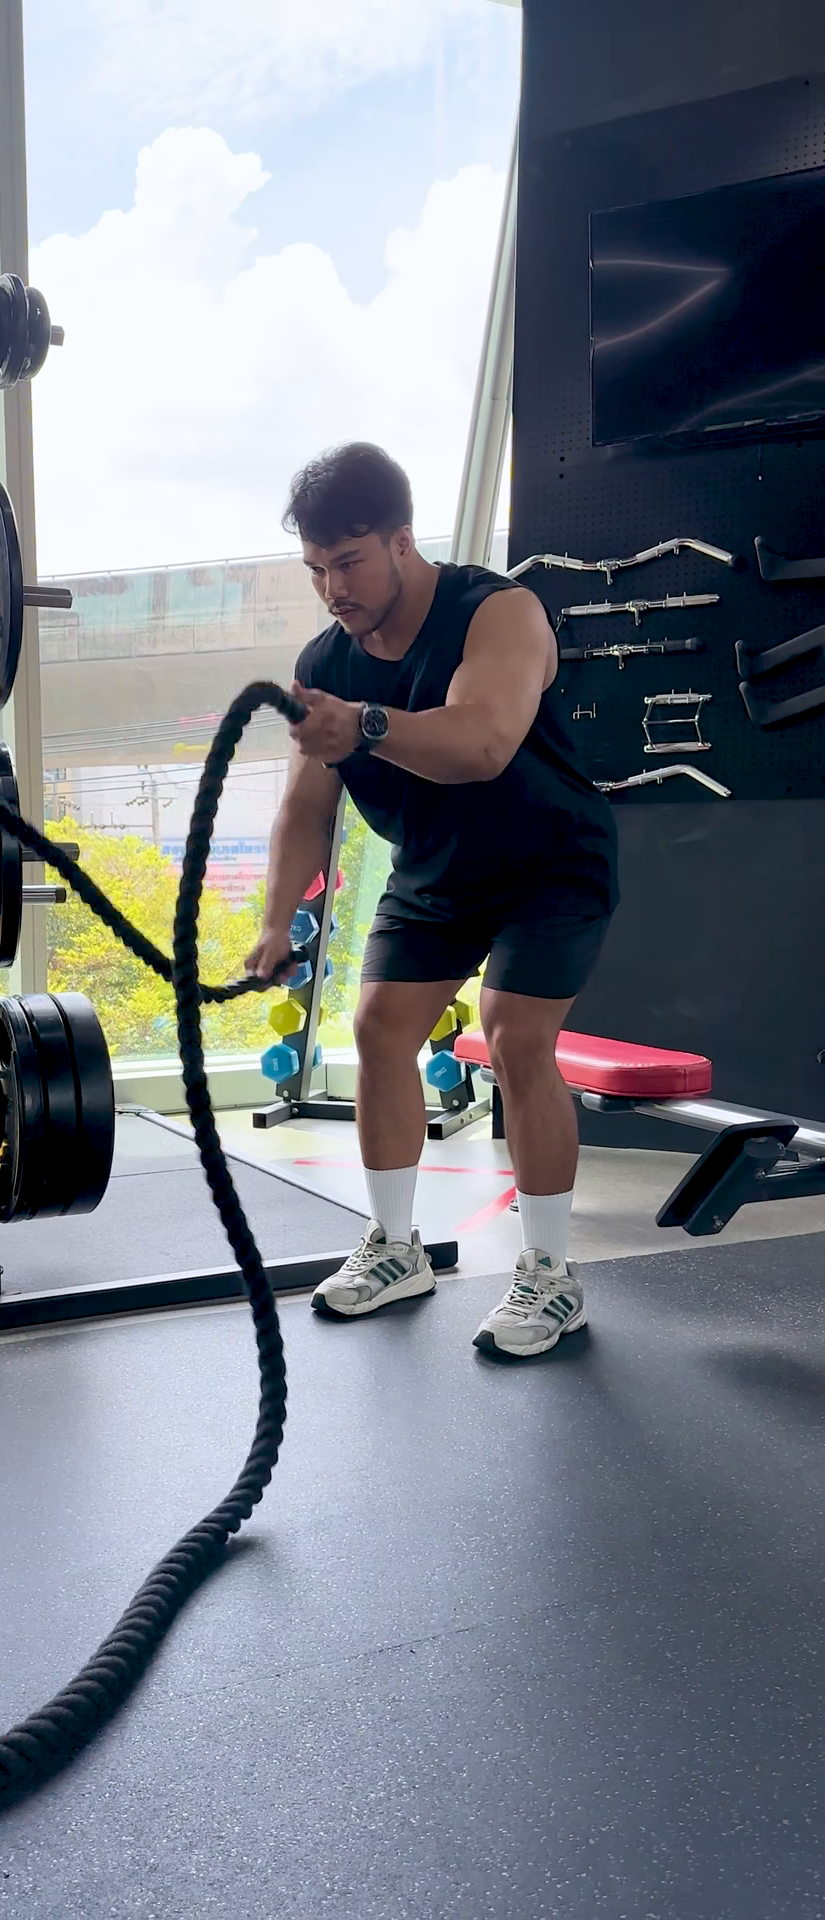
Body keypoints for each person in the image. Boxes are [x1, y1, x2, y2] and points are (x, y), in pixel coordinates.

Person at [246, 443, 619, 1357]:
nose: (333, 588)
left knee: (515, 1037)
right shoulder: (326, 661)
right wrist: (274, 922)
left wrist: (365, 725)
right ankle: (396, 1248)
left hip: (550, 861)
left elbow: (482, 743)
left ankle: (552, 1276)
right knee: (378, 1031)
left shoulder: (499, 612)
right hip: (436, 870)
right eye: (316, 569)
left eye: (349, 562)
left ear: (403, 541)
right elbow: (305, 809)